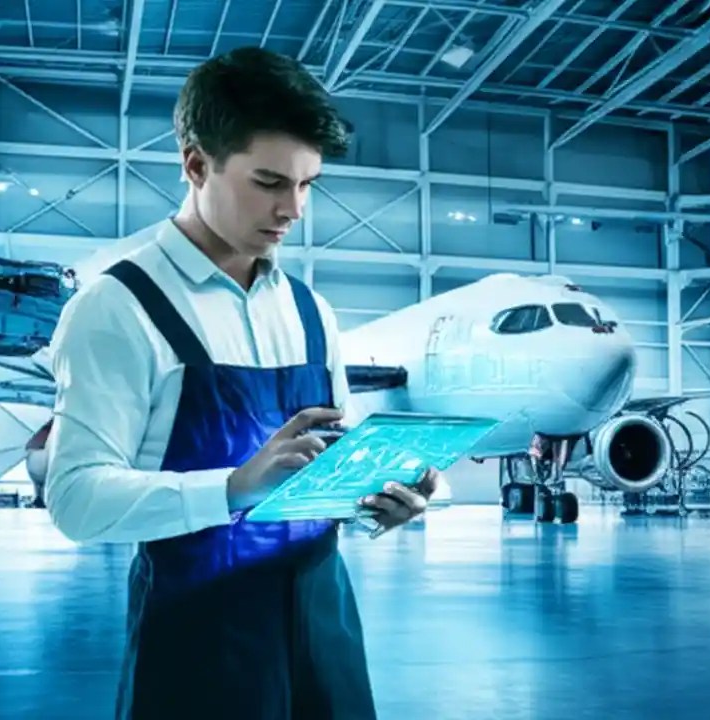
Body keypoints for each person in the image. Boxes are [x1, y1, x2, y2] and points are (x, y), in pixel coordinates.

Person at [43, 46, 440, 720]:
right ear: (196, 164)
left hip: (326, 632)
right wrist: (233, 487)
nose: (294, 209)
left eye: (308, 184)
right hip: (198, 642)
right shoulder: (118, 307)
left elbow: (327, 475)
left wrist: (379, 500)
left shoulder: (312, 312)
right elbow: (76, 501)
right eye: (269, 182)